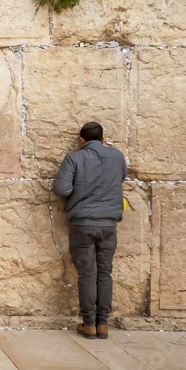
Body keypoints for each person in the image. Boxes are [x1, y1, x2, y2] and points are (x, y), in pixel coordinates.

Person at [52, 122, 127, 340]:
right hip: (109, 224)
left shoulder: (74, 158)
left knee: (87, 273)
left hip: (83, 224)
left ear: (81, 140)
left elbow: (63, 188)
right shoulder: (117, 157)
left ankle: (89, 324)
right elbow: (120, 178)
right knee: (105, 272)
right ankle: (103, 324)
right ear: (103, 140)